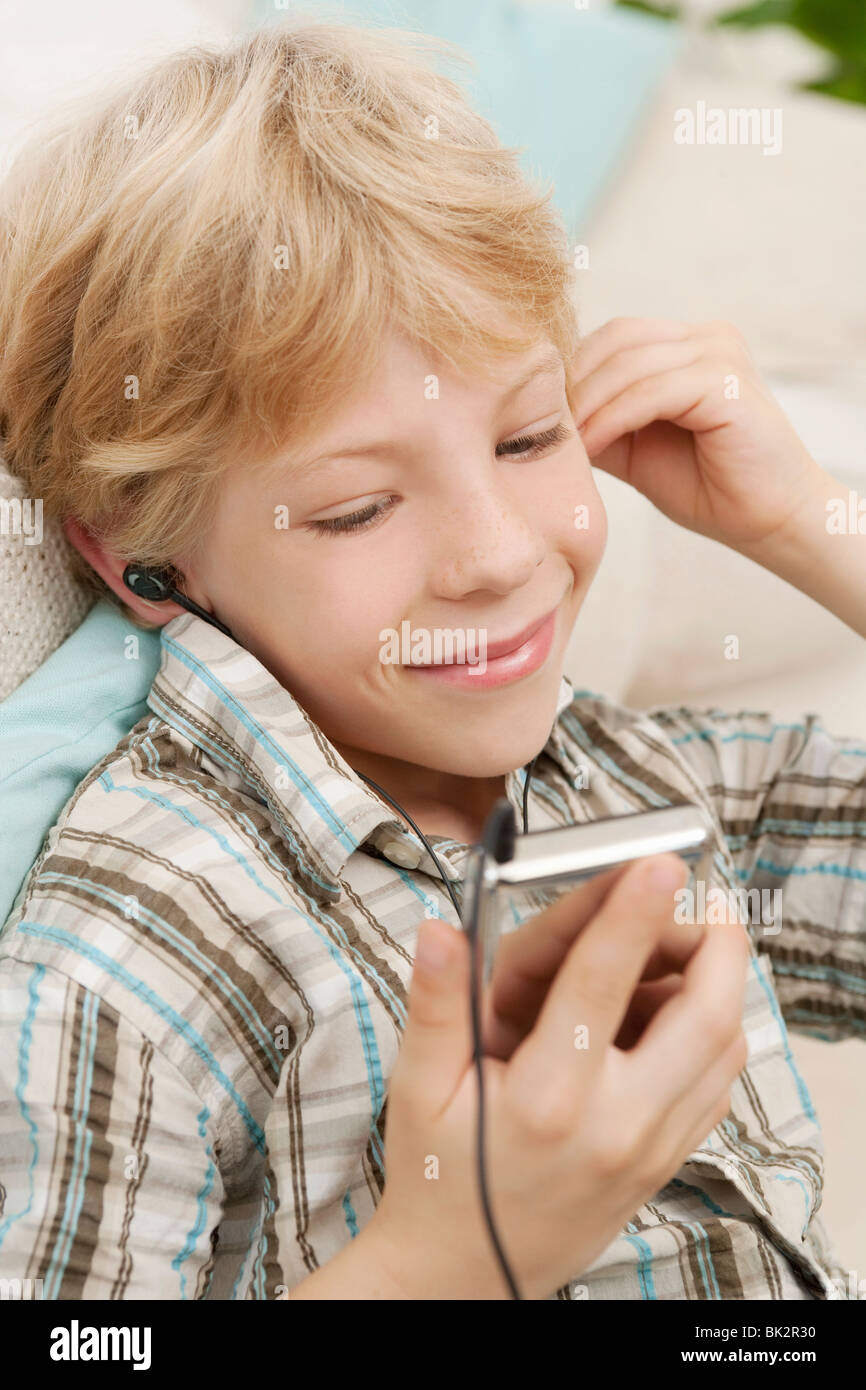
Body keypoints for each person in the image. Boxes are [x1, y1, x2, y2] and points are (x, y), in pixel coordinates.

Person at [0, 19, 863, 1300]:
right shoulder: (138, 945)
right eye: (356, 509)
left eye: (527, 437)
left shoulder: (630, 774)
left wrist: (814, 527)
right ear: (136, 555)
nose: (498, 553)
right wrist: (446, 1256)